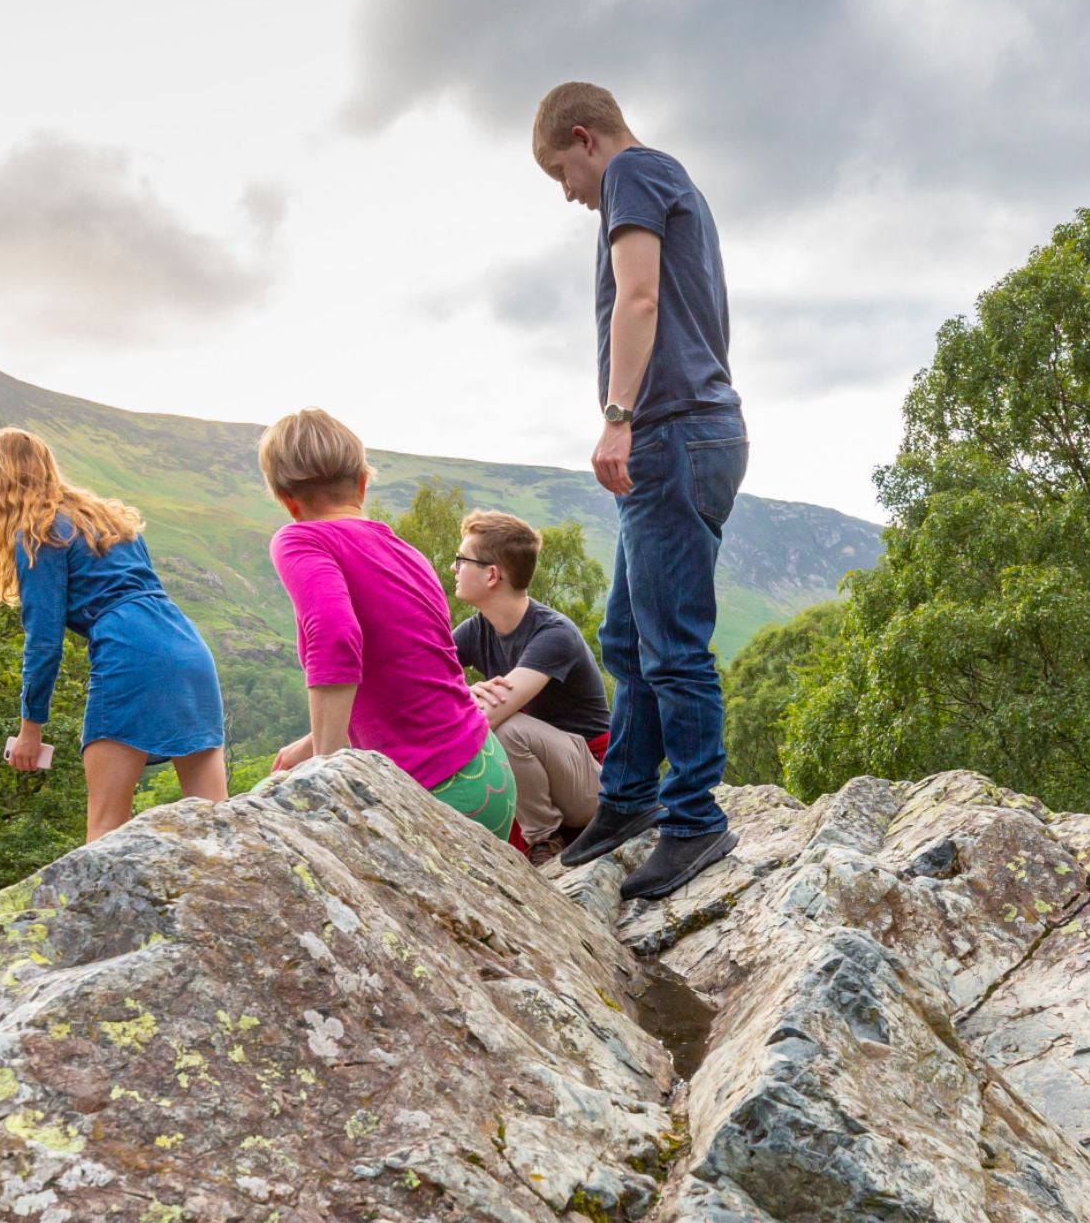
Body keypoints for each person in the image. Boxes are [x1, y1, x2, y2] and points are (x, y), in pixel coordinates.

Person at [532, 80, 747, 900]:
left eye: (561, 171)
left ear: (585, 138)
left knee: (672, 647)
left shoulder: (632, 174)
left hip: (671, 432)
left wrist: (619, 415)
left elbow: (641, 295)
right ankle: (627, 797)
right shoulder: (666, 179)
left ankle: (694, 820)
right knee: (626, 636)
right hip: (692, 432)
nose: (567, 193)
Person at [259, 408, 516, 839]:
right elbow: (404, 677)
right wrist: (308, 746)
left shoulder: (300, 539)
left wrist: (324, 773)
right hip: (485, 769)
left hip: (437, 790)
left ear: (287, 499)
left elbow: (335, 637)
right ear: (362, 483)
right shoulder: (406, 552)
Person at [0, 426, 228, 842]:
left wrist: (31, 728)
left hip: (130, 653)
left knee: (106, 828)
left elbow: (44, 641)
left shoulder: (39, 533)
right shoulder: (108, 520)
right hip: (187, 645)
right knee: (217, 819)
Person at [451, 508, 610, 865]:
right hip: (546, 778)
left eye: (461, 560)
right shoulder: (477, 630)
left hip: (594, 781)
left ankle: (544, 842)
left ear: (492, 574)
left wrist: (462, 698)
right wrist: (465, 693)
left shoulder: (553, 634)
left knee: (506, 727)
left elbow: (488, 716)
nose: (453, 568)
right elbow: (421, 683)